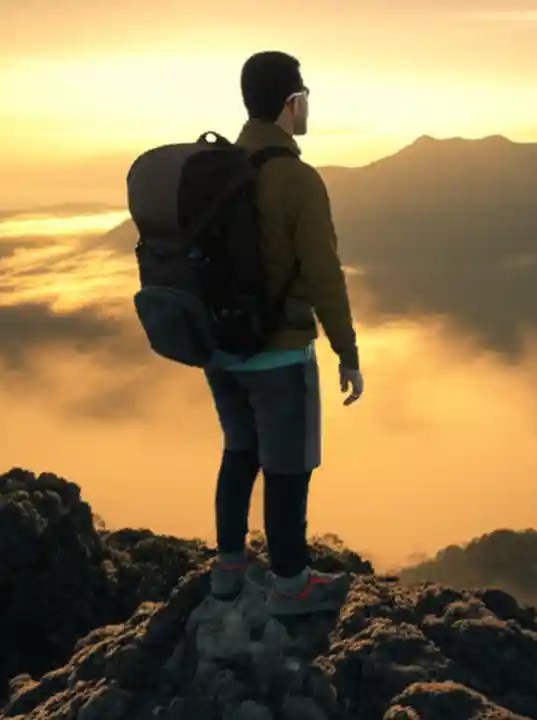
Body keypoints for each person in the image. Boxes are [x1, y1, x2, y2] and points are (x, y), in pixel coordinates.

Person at [205, 51, 364, 615]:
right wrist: (347, 350)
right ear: (290, 102)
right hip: (278, 352)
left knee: (239, 452)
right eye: (304, 97)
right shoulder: (296, 178)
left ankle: (227, 570)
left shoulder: (218, 170)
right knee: (288, 466)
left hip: (220, 349)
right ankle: (290, 585)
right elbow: (322, 272)